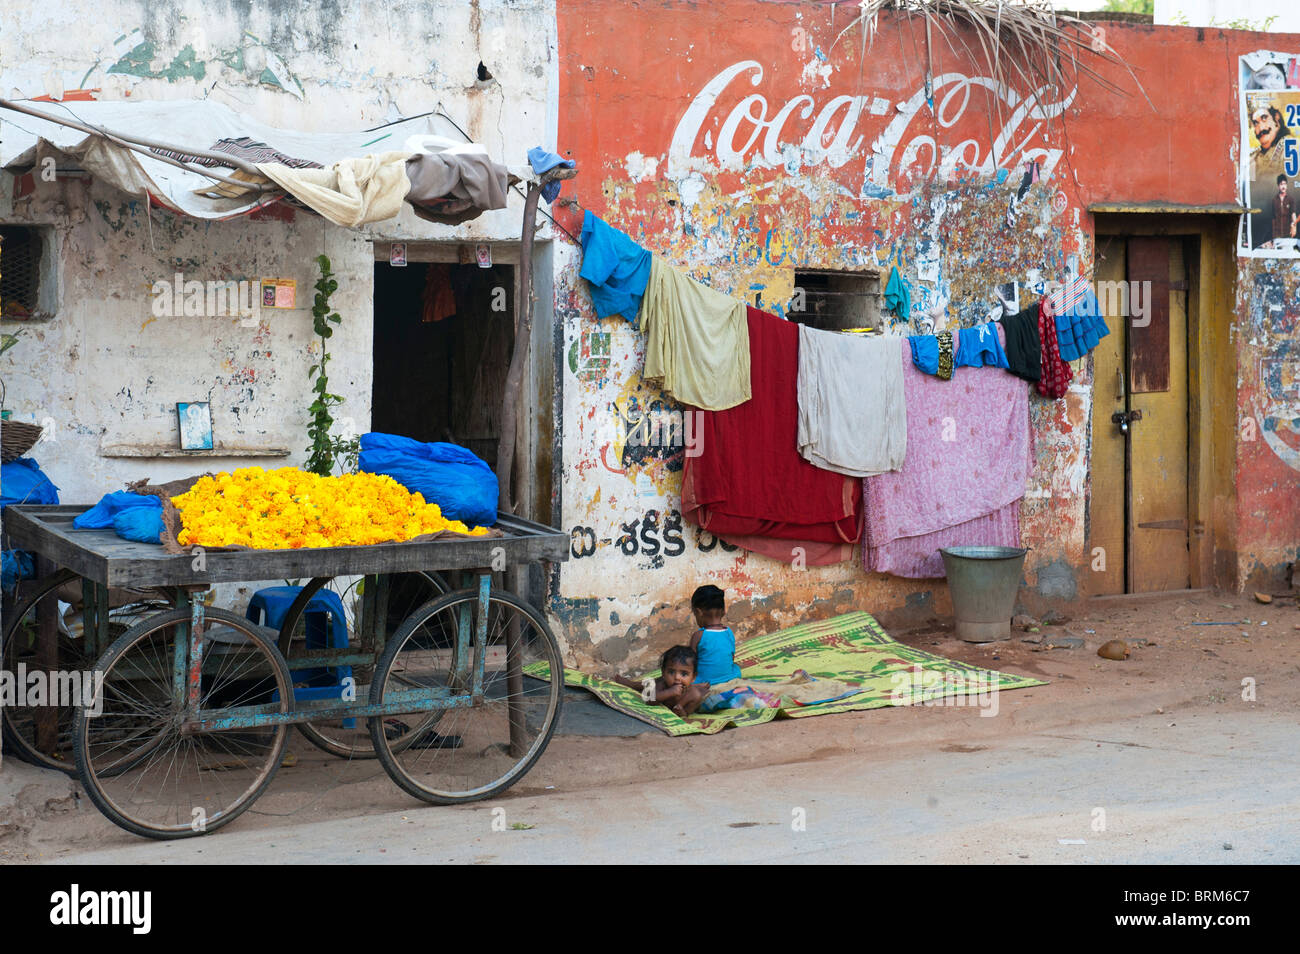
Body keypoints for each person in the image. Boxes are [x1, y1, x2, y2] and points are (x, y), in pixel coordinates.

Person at [612, 645, 711, 718]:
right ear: (663, 672)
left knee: (699, 692)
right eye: (671, 672)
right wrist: (669, 692)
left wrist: (682, 712)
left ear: (693, 677)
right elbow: (649, 700)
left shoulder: (694, 696)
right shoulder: (663, 684)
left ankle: (699, 686)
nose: (677, 677)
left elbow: (687, 714)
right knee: (649, 683)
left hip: (693, 689)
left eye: (684, 674)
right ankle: (632, 684)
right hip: (658, 683)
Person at [687, 584, 742, 684]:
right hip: (729, 677)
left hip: (705, 682)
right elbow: (731, 658)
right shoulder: (729, 632)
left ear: (698, 612)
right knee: (736, 667)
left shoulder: (698, 636)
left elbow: (690, 664)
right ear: (724, 611)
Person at [1249, 105, 1291, 183]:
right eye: (1256, 123)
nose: (1261, 128)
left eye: (1264, 118)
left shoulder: (1290, 147)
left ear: (1276, 121)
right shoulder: (1252, 158)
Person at [1272, 175, 1297, 241]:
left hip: (1288, 232)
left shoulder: (1290, 199)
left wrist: (1294, 227)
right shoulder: (1274, 200)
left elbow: (1293, 214)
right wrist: (1273, 234)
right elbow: (1273, 218)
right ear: (1278, 186)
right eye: (1281, 184)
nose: (1283, 186)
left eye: (1285, 184)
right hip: (1277, 233)